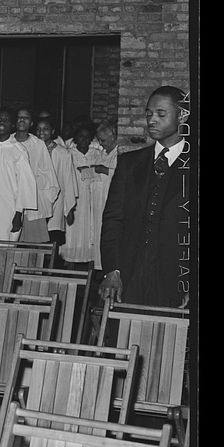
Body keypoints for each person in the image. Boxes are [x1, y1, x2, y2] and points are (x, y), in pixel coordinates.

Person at [100, 87, 191, 308]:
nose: (152, 120)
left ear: (182, 115)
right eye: (149, 113)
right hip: (129, 277)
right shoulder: (130, 163)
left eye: (161, 114)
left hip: (176, 281)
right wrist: (112, 270)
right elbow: (113, 220)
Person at [0, 109, 37, 240]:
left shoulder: (18, 149)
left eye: (6, 120)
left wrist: (18, 213)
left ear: (12, 125)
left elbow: (24, 184)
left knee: (6, 243)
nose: (2, 122)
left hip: (10, 205)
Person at [13, 107, 60, 243]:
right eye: (19, 117)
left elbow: (50, 178)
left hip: (34, 205)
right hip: (10, 202)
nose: (22, 120)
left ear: (31, 123)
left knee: (33, 248)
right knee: (9, 246)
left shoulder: (38, 145)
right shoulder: (7, 144)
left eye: (26, 117)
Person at [36, 116, 78, 257]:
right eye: (39, 129)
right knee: (36, 240)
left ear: (53, 131)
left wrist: (69, 208)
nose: (42, 132)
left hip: (57, 202)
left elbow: (68, 179)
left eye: (46, 129)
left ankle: (49, 271)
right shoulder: (31, 150)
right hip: (36, 201)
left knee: (52, 239)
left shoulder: (62, 153)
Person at [61, 123, 100, 268]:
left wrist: (86, 171)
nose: (84, 139)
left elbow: (102, 174)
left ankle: (89, 259)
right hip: (74, 197)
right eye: (80, 136)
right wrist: (90, 171)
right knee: (72, 229)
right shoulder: (68, 154)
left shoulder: (96, 154)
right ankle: (69, 258)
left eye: (87, 137)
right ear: (75, 139)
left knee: (89, 227)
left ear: (91, 139)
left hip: (91, 198)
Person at [91, 119, 119, 273]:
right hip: (97, 199)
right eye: (99, 140)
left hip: (109, 198)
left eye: (104, 140)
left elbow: (122, 176)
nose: (101, 144)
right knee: (98, 232)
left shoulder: (119, 153)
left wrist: (105, 170)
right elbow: (96, 171)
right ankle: (99, 267)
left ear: (114, 137)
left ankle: (108, 268)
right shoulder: (102, 153)